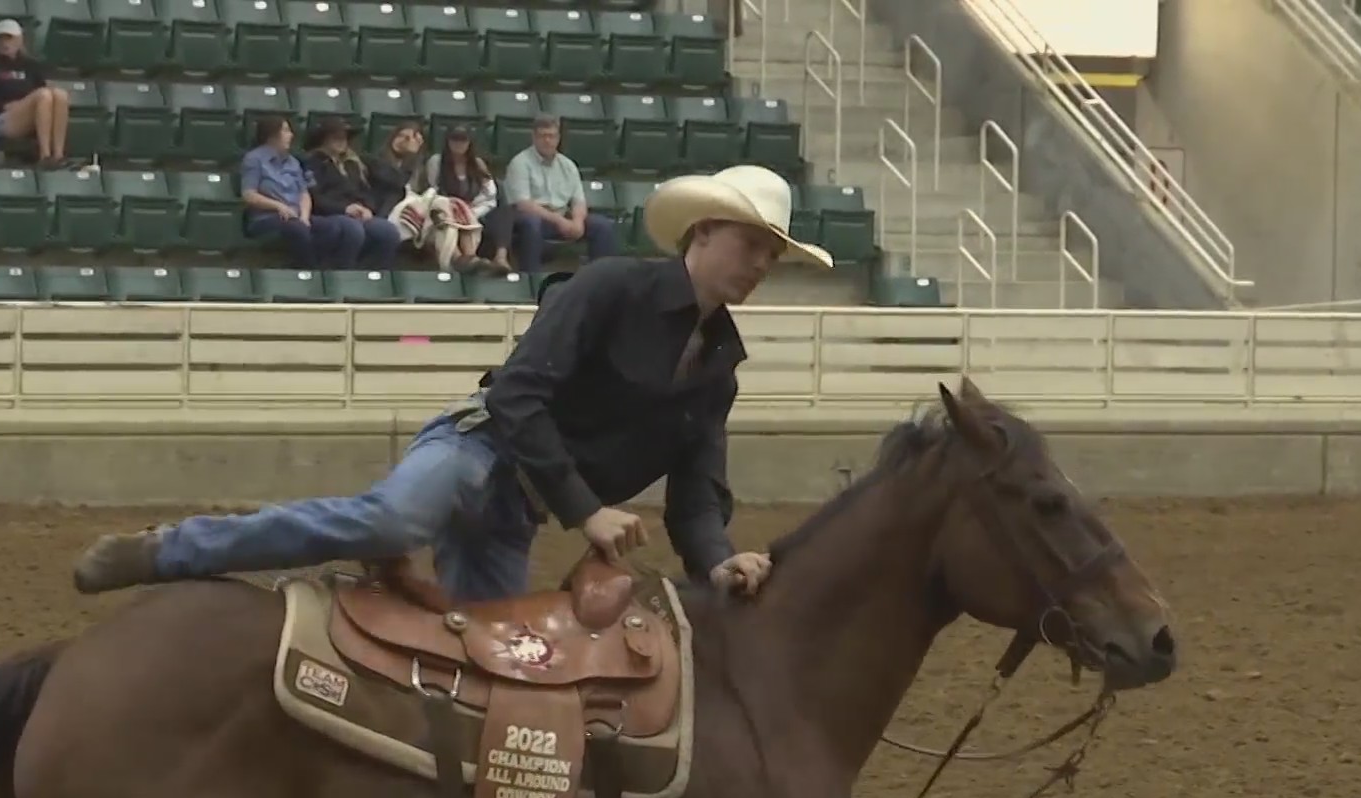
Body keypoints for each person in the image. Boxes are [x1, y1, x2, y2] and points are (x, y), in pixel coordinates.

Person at [70, 164, 833, 609]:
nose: (762, 265)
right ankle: (173, 549)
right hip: (479, 450)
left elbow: (697, 494)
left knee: (493, 659)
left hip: (514, 514)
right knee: (392, 520)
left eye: (773, 255)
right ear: (703, 232)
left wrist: (718, 560)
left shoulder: (717, 369)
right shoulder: (609, 287)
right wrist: (586, 509)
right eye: (752, 245)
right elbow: (517, 395)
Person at [502, 114, 618, 273]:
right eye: (543, 136)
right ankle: (531, 278)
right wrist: (559, 221)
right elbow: (523, 205)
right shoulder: (520, 163)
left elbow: (579, 201)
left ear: (558, 138)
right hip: (532, 218)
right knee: (531, 223)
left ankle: (602, 277)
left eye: (552, 136)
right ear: (534, 138)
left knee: (602, 225)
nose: (547, 141)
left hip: (562, 217)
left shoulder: (568, 165)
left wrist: (577, 222)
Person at [240, 115, 360, 268]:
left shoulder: (293, 162)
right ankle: (310, 269)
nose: (291, 135)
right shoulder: (254, 159)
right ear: (272, 135)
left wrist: (304, 216)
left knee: (332, 227)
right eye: (286, 131)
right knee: (296, 229)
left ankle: (319, 268)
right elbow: (249, 194)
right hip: (267, 217)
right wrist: (279, 206)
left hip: (296, 216)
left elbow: (304, 193)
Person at [302, 117, 402, 270]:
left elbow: (365, 191)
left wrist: (367, 208)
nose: (342, 141)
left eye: (344, 137)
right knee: (352, 229)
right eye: (336, 137)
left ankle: (373, 275)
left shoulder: (353, 164)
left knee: (388, 231)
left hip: (358, 214)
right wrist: (344, 209)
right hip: (328, 214)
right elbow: (314, 197)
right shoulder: (313, 163)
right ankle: (342, 273)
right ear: (324, 139)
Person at [0, 19, 71, 168]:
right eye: (1, 38)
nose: (5, 43)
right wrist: (5, 106)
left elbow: (44, 93)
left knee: (60, 95)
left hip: (31, 113)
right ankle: (44, 155)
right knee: (43, 95)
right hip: (2, 118)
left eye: (9, 38)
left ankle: (58, 155)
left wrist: (23, 104)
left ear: (19, 40)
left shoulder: (31, 65)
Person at [425, 126, 510, 272]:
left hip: (473, 210)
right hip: (446, 208)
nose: (458, 144)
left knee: (504, 211)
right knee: (443, 217)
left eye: (463, 140)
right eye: (454, 139)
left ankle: (494, 258)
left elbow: (489, 195)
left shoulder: (478, 164)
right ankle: (462, 259)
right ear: (447, 141)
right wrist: (456, 206)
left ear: (470, 142)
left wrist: (471, 211)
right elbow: (433, 190)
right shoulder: (436, 162)